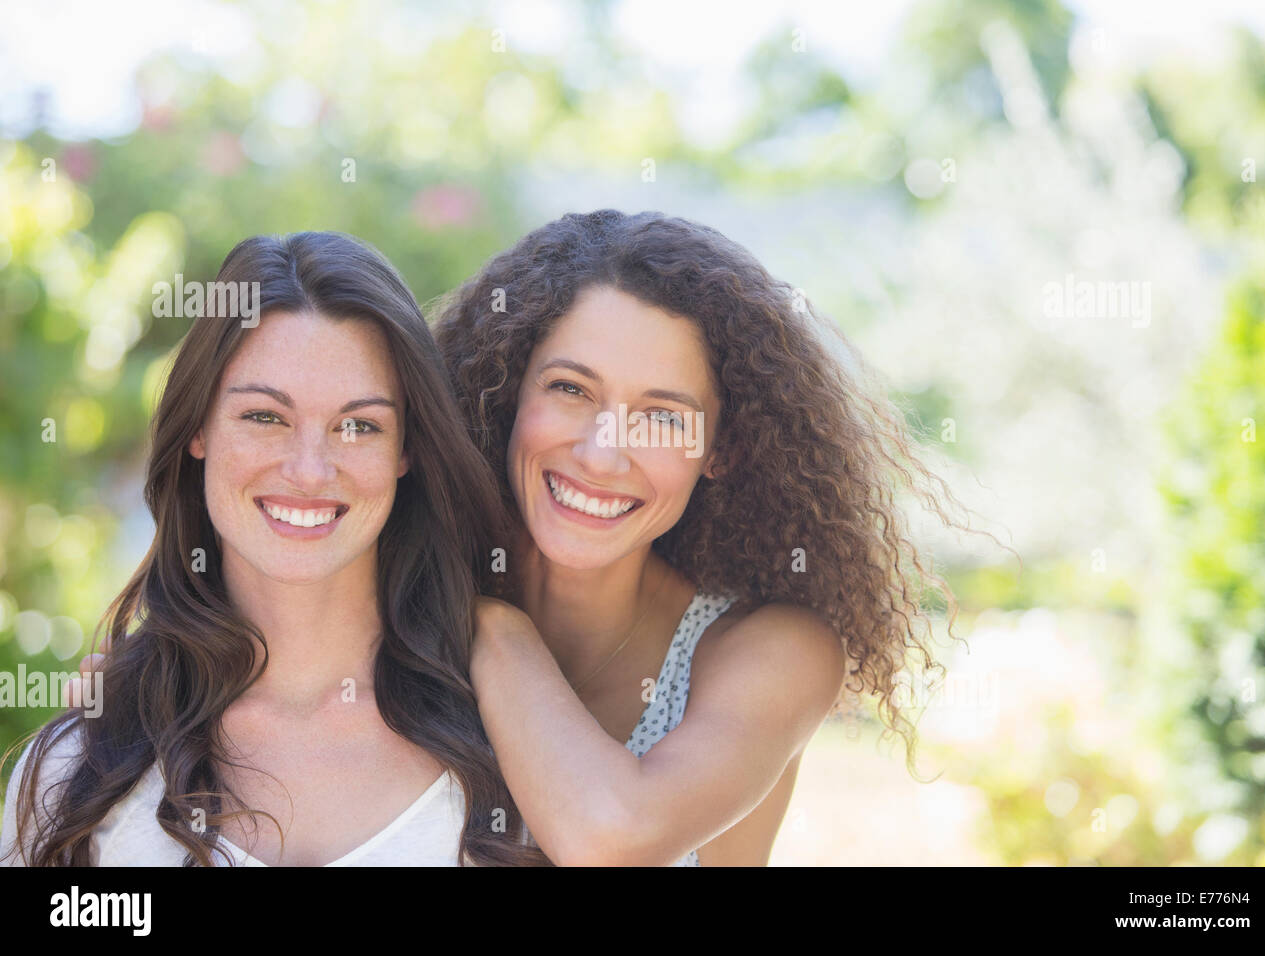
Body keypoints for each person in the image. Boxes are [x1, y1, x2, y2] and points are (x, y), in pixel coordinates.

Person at [434, 209, 982, 865]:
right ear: (510, 396)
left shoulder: (774, 652)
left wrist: (493, 628)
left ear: (721, 449)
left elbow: (609, 836)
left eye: (663, 416)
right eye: (571, 388)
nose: (603, 455)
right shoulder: (397, 599)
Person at [0, 231, 543, 866]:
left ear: (406, 453)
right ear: (198, 427)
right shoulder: (82, 767)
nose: (310, 471)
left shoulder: (518, 755)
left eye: (359, 425)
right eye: (265, 417)